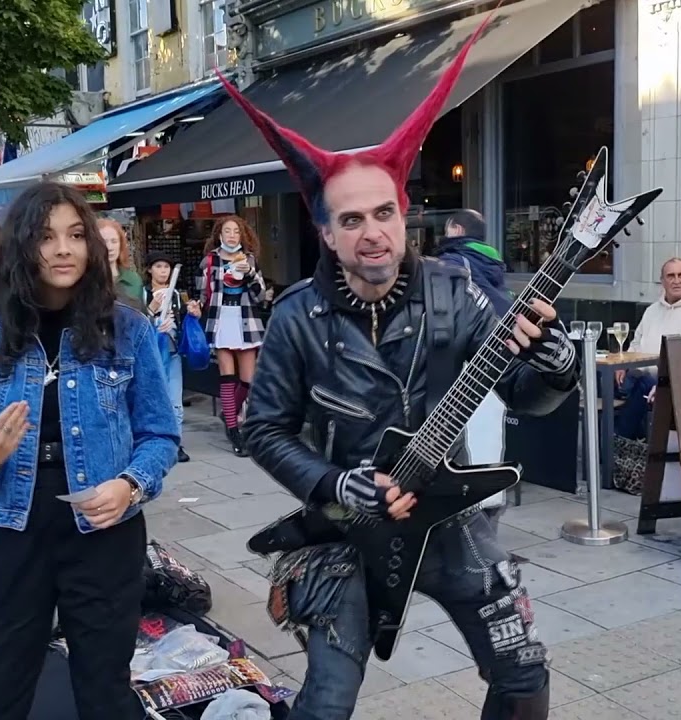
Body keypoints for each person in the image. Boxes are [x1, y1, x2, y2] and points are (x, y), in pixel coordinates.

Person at [228, 14, 577, 718]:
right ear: (325, 232)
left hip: (456, 525)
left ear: (404, 212)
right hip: (342, 529)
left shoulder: (459, 294)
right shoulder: (297, 315)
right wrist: (334, 481)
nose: (371, 233)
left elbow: (524, 392)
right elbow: (263, 428)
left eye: (382, 213)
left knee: (523, 676)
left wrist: (557, 364)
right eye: (350, 221)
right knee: (327, 699)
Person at [0, 182, 178, 720]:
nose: (63, 248)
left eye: (76, 235)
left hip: (105, 525)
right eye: (46, 236)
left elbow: (161, 436)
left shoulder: (129, 328)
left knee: (105, 688)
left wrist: (129, 485)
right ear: (21, 248)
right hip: (17, 523)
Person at [433, 209, 512, 531]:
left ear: (455, 228)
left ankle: (466, 525)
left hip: (462, 356)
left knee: (464, 436)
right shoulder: (492, 265)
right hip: (494, 354)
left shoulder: (453, 263)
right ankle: (489, 514)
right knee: (488, 434)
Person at [614, 257, 681, 439]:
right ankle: (601, 448)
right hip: (636, 375)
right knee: (598, 383)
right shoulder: (652, 310)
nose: (677, 280)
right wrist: (623, 362)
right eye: (671, 276)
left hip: (671, 383)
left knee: (644, 384)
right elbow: (636, 342)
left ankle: (619, 441)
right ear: (662, 281)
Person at [197, 215, 267, 456]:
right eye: (227, 231)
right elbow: (203, 296)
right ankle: (233, 429)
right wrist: (195, 309)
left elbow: (260, 296)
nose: (231, 235)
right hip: (221, 319)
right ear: (219, 234)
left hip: (245, 318)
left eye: (236, 232)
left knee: (248, 381)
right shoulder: (209, 261)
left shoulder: (249, 260)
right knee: (228, 377)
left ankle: (229, 411)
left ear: (242, 235)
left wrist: (249, 274)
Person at [143, 250, 201, 463]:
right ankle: (155, 440)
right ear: (150, 270)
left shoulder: (176, 294)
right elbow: (137, 321)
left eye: (166, 267)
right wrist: (152, 309)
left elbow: (188, 317)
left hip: (173, 351)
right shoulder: (143, 293)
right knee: (154, 399)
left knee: (175, 402)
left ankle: (175, 443)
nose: (163, 271)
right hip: (150, 354)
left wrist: (194, 312)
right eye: (158, 266)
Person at [99, 219, 144, 304]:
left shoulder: (133, 279)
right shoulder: (85, 280)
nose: (109, 247)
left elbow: (140, 314)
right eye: (104, 242)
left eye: (114, 241)